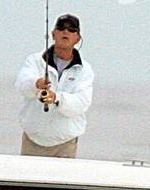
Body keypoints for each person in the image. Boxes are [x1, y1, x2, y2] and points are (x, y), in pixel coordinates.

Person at [15, 13, 94, 157]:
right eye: (61, 28)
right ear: (53, 34)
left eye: (71, 30)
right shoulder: (34, 60)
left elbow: (82, 103)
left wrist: (56, 98)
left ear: (77, 38)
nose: (65, 32)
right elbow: (21, 85)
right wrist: (36, 84)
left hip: (66, 144)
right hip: (32, 141)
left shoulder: (85, 70)